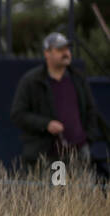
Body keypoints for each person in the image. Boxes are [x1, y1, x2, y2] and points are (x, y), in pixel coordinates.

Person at [10, 32, 110, 183]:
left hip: (80, 152)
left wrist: (87, 138)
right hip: (53, 155)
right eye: (60, 49)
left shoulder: (78, 78)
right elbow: (18, 114)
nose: (66, 52)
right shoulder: (32, 81)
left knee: (83, 196)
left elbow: (91, 110)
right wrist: (46, 124)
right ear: (47, 53)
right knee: (57, 196)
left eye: (67, 49)